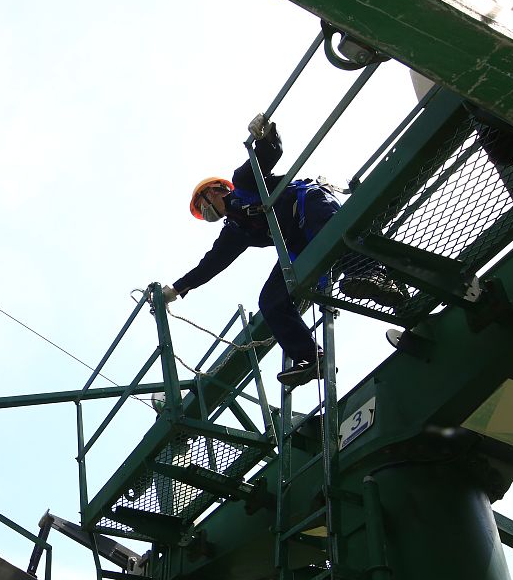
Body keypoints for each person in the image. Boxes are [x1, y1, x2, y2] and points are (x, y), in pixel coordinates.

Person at [163, 117, 407, 386]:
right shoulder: (234, 231)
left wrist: (266, 132)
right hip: (296, 243)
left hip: (310, 205)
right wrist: (176, 289)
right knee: (270, 299)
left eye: (203, 204)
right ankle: (310, 357)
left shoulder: (244, 183)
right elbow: (210, 265)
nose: (205, 212)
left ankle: (372, 275)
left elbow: (271, 152)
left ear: (215, 191)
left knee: (331, 231)